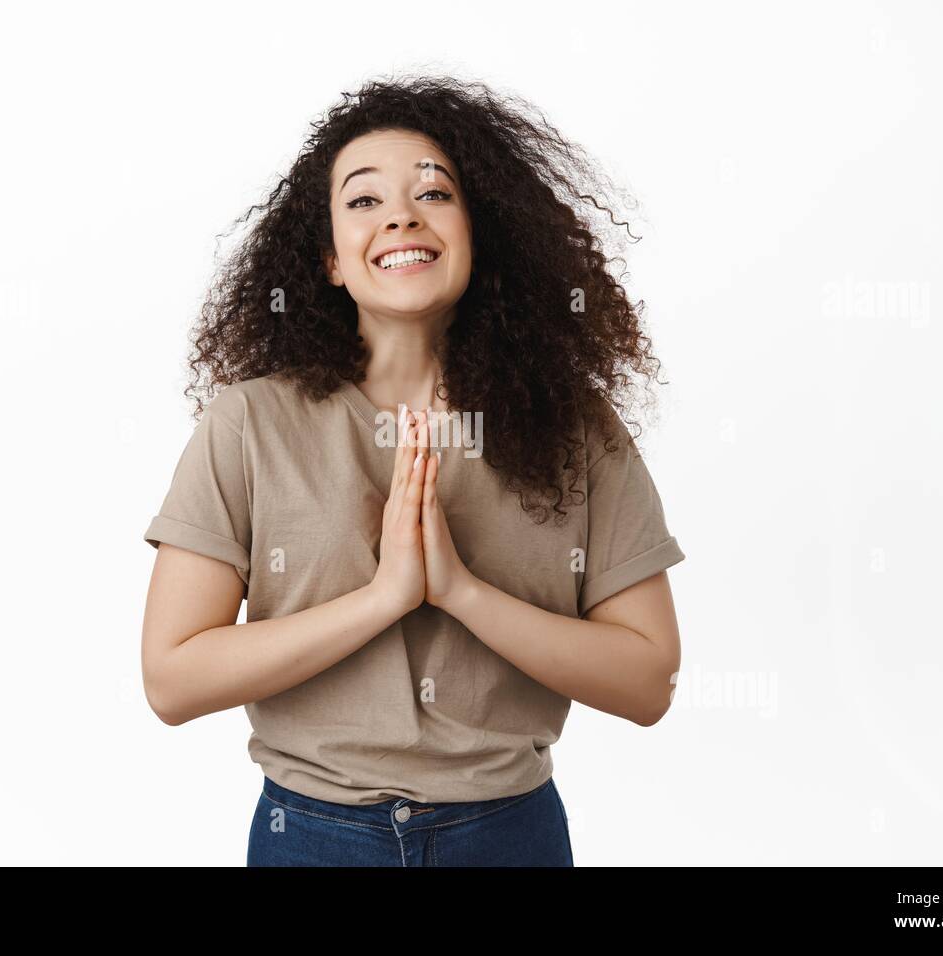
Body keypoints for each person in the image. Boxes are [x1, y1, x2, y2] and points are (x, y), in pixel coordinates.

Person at [140, 76, 685, 866]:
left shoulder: (577, 428)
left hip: (508, 837)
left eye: (434, 191)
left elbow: (648, 684)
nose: (400, 215)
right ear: (328, 259)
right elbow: (172, 679)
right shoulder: (250, 424)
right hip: (312, 838)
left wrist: (462, 592)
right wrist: (383, 599)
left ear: (478, 231)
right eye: (363, 201)